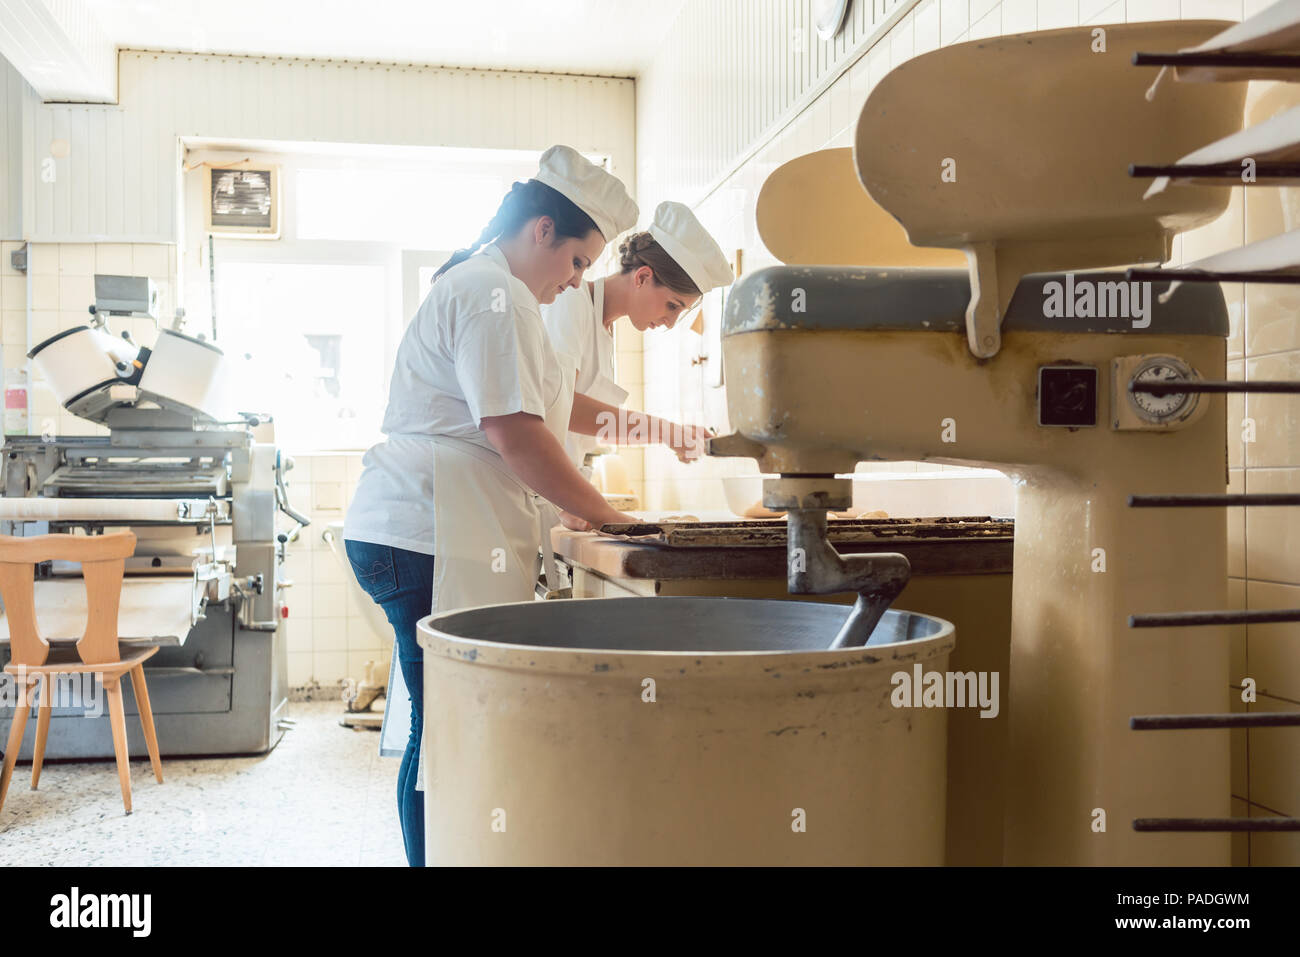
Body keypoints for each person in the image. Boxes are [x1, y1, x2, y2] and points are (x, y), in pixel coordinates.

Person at [341, 145, 639, 867]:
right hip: (423, 530)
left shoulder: (499, 292)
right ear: (542, 230)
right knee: (442, 729)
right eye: (575, 262)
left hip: (426, 524)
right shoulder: (493, 293)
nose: (574, 283)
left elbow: (537, 423)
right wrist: (610, 516)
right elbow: (515, 434)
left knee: (442, 724)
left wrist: (575, 504)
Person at [542, 201, 732, 468]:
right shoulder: (571, 300)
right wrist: (664, 431)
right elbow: (562, 407)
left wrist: (673, 432)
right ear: (642, 277)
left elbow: (597, 425)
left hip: (557, 492)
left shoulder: (604, 330)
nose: (670, 322)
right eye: (673, 305)